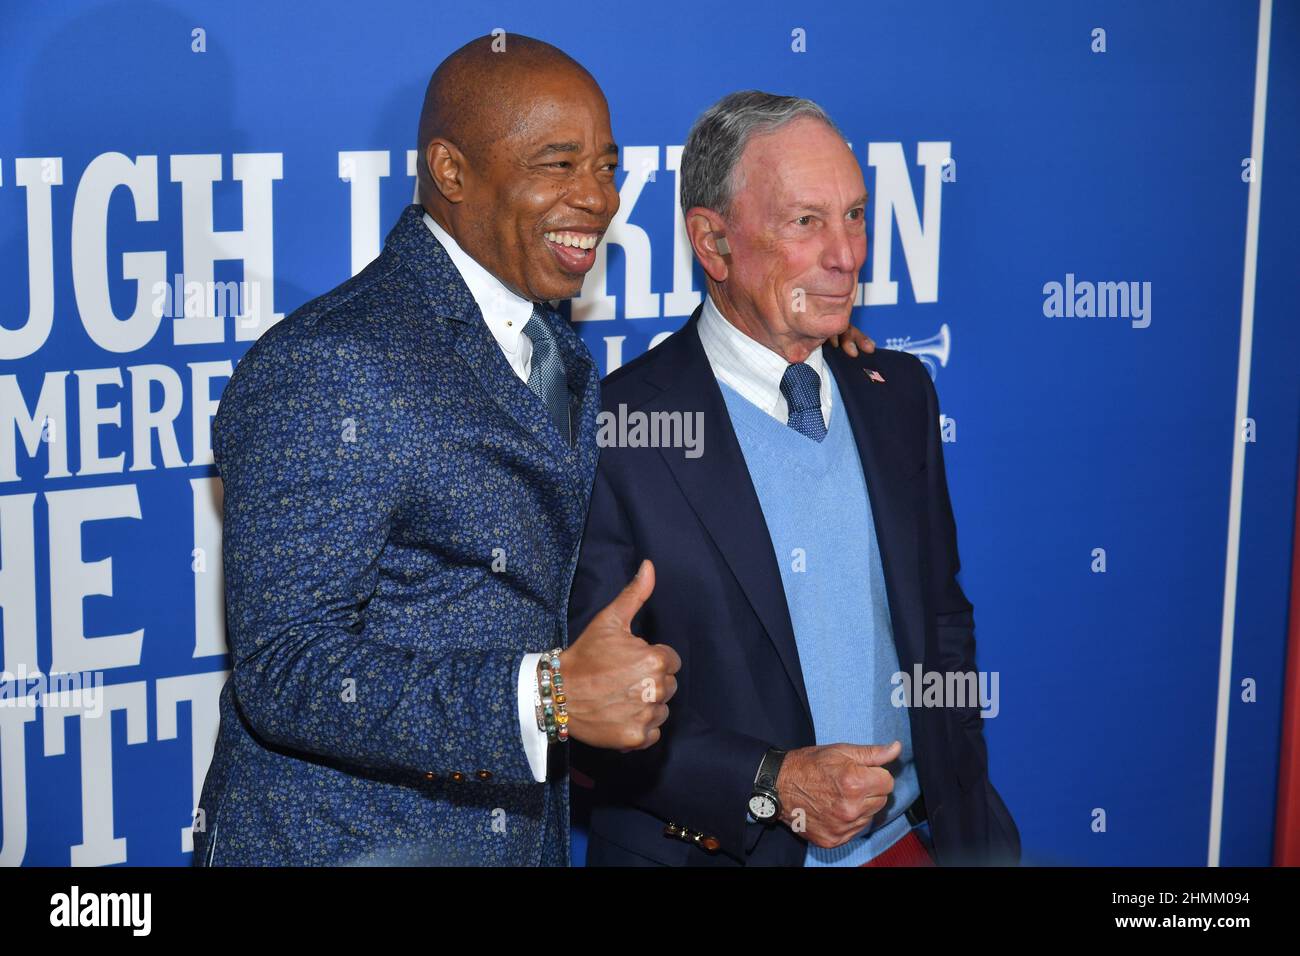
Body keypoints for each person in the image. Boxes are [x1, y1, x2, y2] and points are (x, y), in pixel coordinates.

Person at [192, 35, 688, 867]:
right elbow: (284, 667)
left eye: (606, 166)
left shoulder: (550, 347)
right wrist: (547, 699)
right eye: (557, 164)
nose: (597, 198)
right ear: (451, 172)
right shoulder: (332, 362)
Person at [569, 91, 1020, 866]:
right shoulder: (612, 430)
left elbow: (941, 619)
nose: (848, 254)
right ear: (713, 243)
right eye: (806, 221)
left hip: (910, 845)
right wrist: (772, 783)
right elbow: (594, 713)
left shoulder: (898, 392)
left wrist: (967, 811)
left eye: (855, 215)